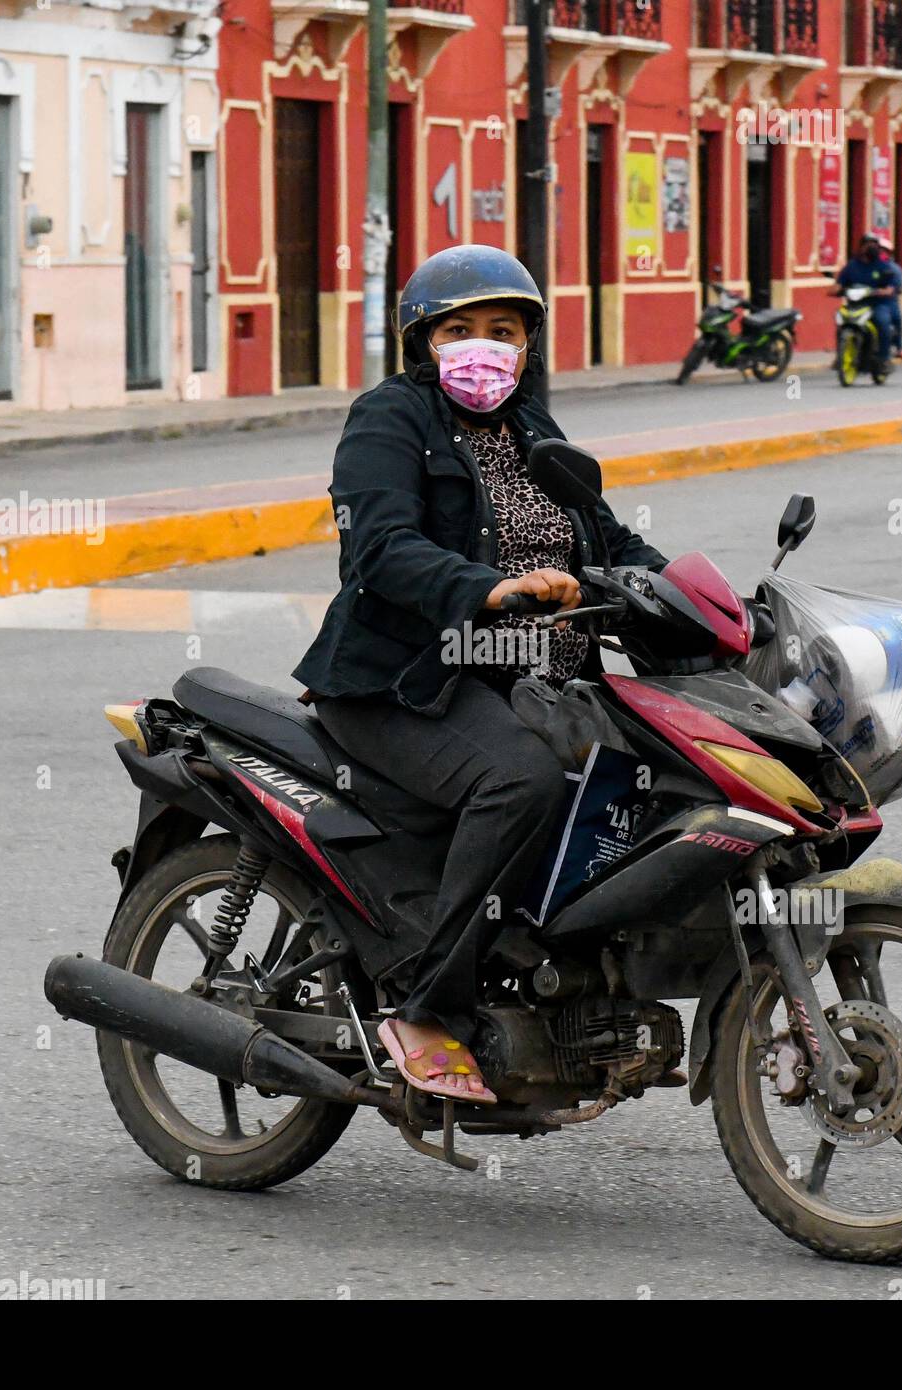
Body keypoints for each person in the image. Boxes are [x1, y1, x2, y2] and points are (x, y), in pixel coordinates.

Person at [293, 245, 668, 1104]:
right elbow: (381, 547)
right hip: (403, 683)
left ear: (530, 346)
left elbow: (607, 543)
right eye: (459, 329)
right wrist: (487, 588)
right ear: (423, 342)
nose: (483, 347)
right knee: (521, 781)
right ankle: (427, 1009)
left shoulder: (537, 433)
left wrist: (691, 593)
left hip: (533, 685)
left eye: (504, 331)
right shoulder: (389, 419)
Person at [834, 232, 902, 371]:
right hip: (855, 304)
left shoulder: (884, 266)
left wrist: (883, 291)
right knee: (840, 321)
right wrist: (835, 290)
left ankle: (884, 359)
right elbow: (839, 284)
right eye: (868, 244)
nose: (871, 247)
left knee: (883, 321)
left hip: (877, 304)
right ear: (861, 247)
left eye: (874, 244)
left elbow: (891, 286)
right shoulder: (852, 266)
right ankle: (840, 355)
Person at [878, 236, 902, 360]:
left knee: (896, 318)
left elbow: (896, 287)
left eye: (882, 250)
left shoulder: (894, 269)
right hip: (866, 300)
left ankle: (899, 346)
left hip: (887, 301)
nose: (880, 252)